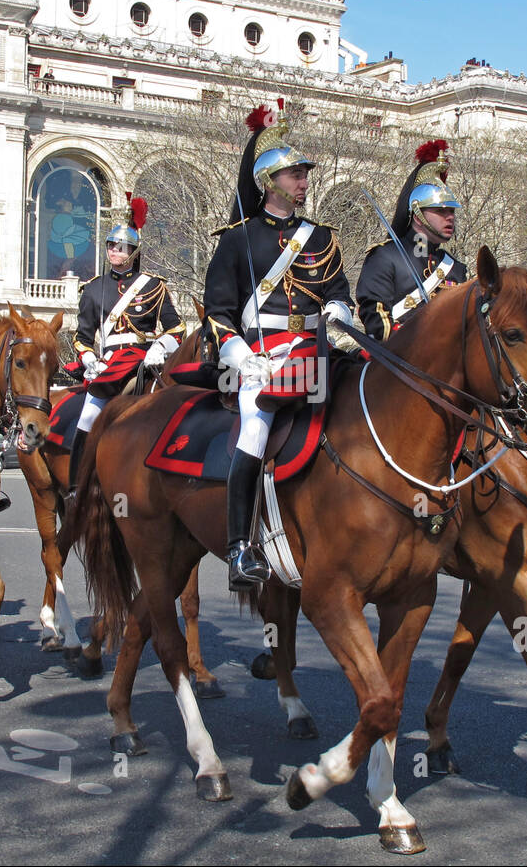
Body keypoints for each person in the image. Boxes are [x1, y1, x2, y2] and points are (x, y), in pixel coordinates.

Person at [203, 100, 354, 589]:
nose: (303, 181)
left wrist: (336, 315)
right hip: (259, 359)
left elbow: (339, 294)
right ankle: (240, 548)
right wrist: (242, 358)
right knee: (255, 429)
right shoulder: (237, 240)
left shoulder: (323, 239)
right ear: (270, 182)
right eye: (294, 175)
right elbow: (219, 313)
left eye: (305, 173)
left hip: (314, 351)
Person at [65, 194, 183, 492]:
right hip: (109, 364)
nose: (114, 251)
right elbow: (82, 338)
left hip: (145, 360)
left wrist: (161, 346)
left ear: (134, 251)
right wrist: (90, 360)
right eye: (110, 245)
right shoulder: (93, 289)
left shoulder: (153, 286)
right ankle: (76, 485)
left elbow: (177, 327)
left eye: (121, 247)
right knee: (89, 415)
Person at [355, 140, 467, 341]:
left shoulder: (456, 269)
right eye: (441, 211)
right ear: (417, 216)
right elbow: (377, 321)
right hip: (398, 361)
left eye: (451, 211)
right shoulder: (385, 257)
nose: (450, 217)